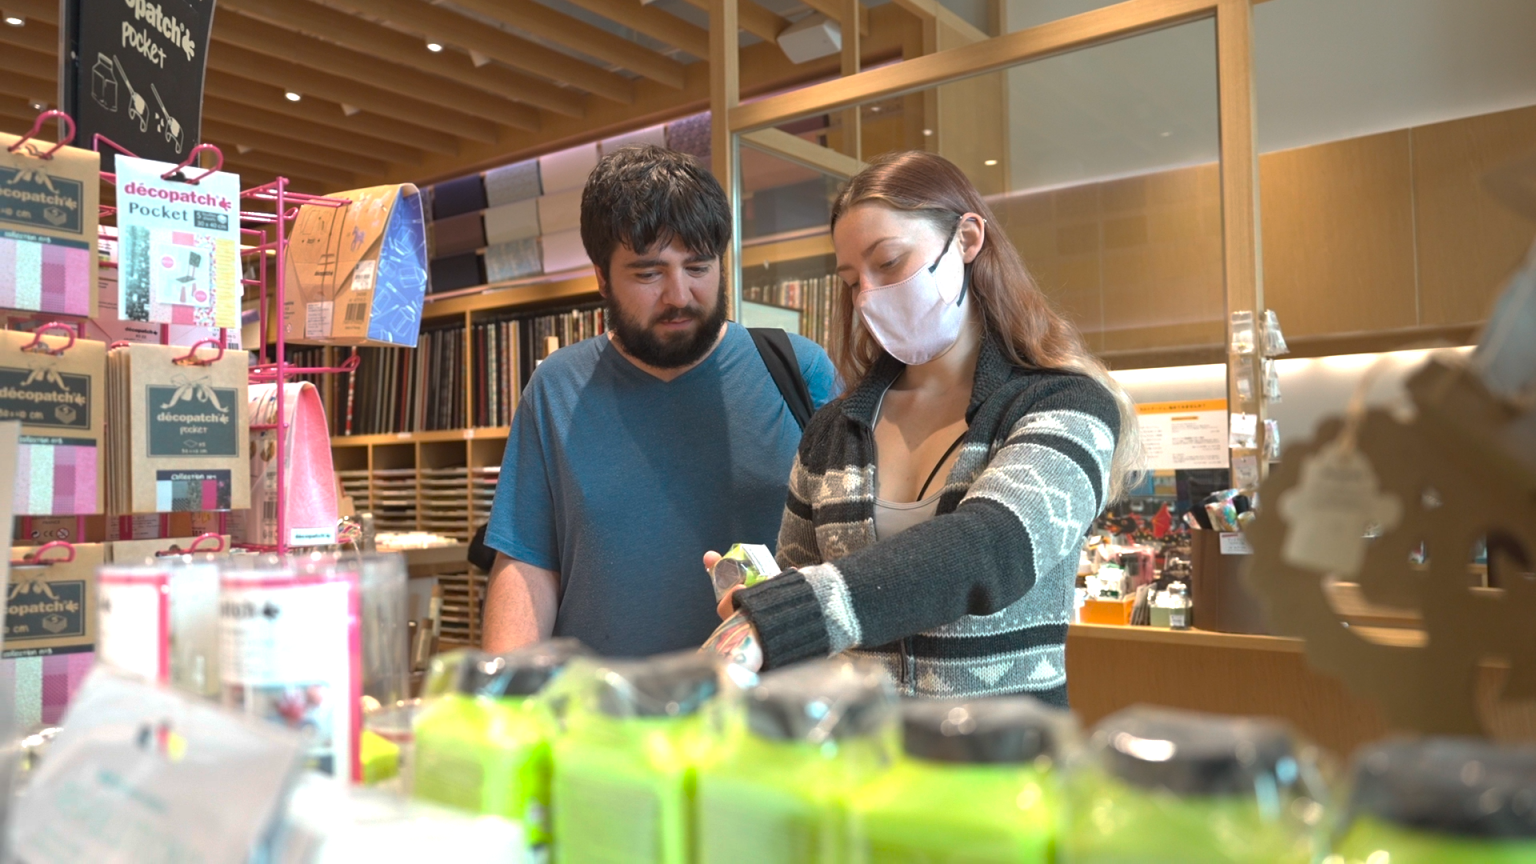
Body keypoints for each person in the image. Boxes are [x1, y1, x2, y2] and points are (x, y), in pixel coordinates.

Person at [703, 151, 1142, 705]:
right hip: (858, 770)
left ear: (967, 240)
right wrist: (761, 600)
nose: (868, 295)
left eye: (887, 263)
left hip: (999, 770)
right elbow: (800, 592)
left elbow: (994, 546)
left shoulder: (1063, 404)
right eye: (851, 280)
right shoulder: (833, 431)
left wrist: (780, 617)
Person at [481, 145, 839, 657]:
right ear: (601, 276)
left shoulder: (799, 372)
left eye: (698, 267)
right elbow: (527, 564)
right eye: (649, 273)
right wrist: (504, 712)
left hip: (770, 716)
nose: (679, 294)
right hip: (604, 716)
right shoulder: (558, 388)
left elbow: (853, 553)